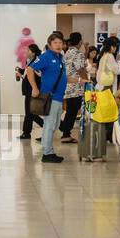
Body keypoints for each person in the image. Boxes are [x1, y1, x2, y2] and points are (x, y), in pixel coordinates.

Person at [27, 32, 67, 162]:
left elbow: (63, 78)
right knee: (50, 125)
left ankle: (47, 149)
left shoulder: (60, 58)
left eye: (60, 43)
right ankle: (47, 153)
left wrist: (79, 80)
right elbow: (30, 69)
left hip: (59, 97)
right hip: (50, 97)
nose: (58, 45)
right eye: (55, 43)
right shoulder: (46, 56)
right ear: (49, 45)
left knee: (54, 125)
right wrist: (34, 87)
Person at [59, 32, 88, 144]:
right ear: (80, 42)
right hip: (77, 86)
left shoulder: (67, 53)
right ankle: (68, 133)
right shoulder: (78, 53)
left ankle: (66, 134)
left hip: (68, 86)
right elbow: (80, 69)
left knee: (71, 111)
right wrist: (87, 81)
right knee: (76, 111)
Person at [18, 42, 44, 139]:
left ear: (33, 53)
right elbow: (27, 75)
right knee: (30, 112)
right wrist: (20, 74)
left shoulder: (36, 63)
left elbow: (37, 75)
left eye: (28, 50)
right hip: (28, 89)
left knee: (29, 112)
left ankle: (27, 132)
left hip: (33, 89)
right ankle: (27, 132)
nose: (26, 52)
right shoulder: (28, 61)